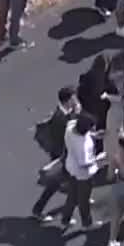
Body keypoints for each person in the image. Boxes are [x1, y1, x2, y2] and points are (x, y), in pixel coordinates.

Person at [31, 86, 81, 221]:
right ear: (69, 99)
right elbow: (69, 133)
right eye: (74, 97)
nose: (76, 99)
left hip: (64, 154)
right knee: (59, 183)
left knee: (69, 181)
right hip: (62, 155)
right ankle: (41, 210)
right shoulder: (60, 117)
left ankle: (80, 198)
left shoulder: (63, 113)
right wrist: (76, 115)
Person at [60, 112, 101, 228]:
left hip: (71, 167)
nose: (93, 128)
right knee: (84, 199)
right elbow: (84, 163)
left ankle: (65, 219)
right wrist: (98, 160)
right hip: (83, 174)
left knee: (72, 195)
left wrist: (93, 135)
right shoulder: (81, 145)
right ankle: (87, 223)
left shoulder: (70, 127)